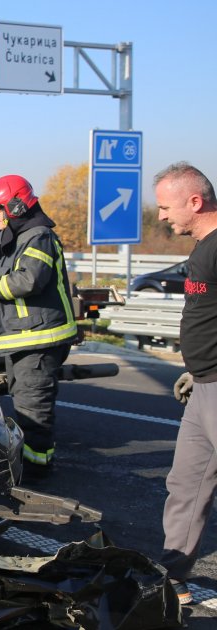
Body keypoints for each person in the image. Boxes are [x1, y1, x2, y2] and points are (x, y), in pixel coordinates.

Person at [0, 174, 76, 478]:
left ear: (15, 206)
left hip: (39, 340)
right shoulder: (19, 237)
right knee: (24, 404)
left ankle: (37, 472)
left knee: (33, 410)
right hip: (24, 339)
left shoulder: (37, 235)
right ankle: (27, 465)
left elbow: (27, 280)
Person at [154, 162, 217, 606]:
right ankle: (172, 577)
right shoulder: (202, 248)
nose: (160, 216)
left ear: (195, 201)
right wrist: (196, 368)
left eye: (164, 206)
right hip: (205, 385)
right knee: (186, 483)